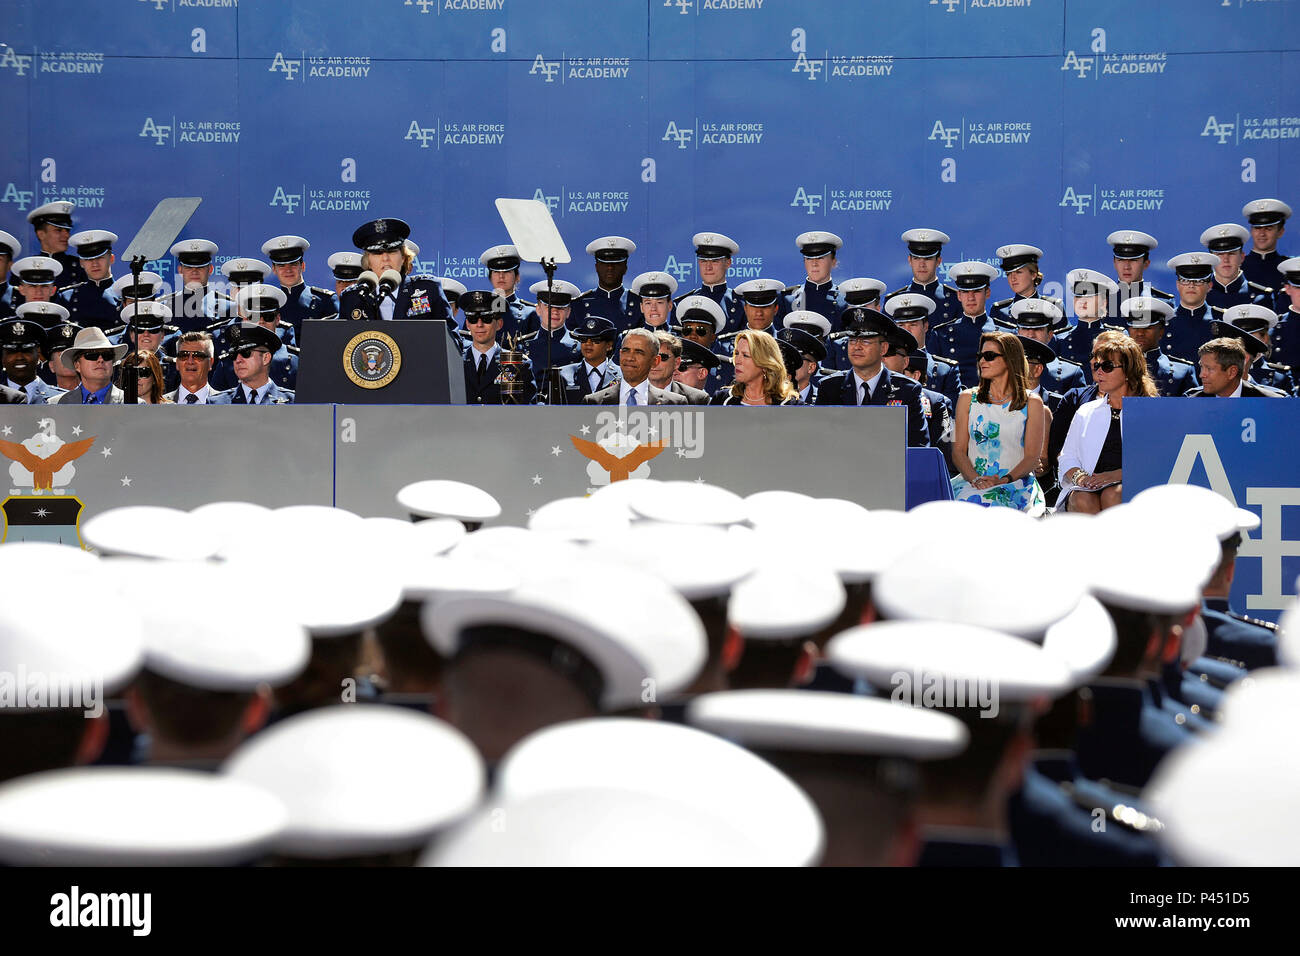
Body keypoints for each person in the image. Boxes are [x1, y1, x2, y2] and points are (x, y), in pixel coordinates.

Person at [949, 331, 1046, 515]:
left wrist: (1003, 480)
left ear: (1010, 359)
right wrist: (976, 480)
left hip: (1016, 484)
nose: (982, 361)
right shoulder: (967, 398)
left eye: (989, 356)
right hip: (972, 482)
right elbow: (958, 452)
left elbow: (1032, 457)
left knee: (997, 509)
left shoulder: (1032, 403)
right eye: (980, 356)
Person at [1057, 334, 1157, 512]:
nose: (1099, 372)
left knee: (1113, 495)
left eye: (1107, 366)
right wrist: (1081, 478)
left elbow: (1156, 461)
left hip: (1134, 486)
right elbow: (1067, 456)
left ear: (1129, 371)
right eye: (1097, 366)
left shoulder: (1152, 412)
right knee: (1083, 499)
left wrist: (1117, 475)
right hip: (1087, 487)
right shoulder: (1086, 410)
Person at [815, 309, 931, 447]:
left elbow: (918, 446)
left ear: (883, 348)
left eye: (865, 341)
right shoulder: (829, 387)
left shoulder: (907, 390)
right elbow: (819, 441)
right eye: (852, 340)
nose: (857, 347)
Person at [338, 219, 453, 327]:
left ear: (403, 257)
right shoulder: (352, 297)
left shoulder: (428, 288)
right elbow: (341, 339)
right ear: (368, 262)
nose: (385, 259)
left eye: (392, 251)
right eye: (377, 253)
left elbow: (451, 336)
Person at [927, 260, 1000, 386]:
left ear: (987, 293)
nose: (971, 298)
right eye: (965, 292)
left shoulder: (1005, 332)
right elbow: (933, 379)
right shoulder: (941, 334)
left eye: (976, 291)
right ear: (959, 295)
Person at [460, 290, 537, 405]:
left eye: (487, 319)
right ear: (467, 324)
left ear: (499, 324)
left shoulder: (519, 364)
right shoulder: (455, 362)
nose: (479, 325)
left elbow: (527, 410)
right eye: (473, 319)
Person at [883, 293, 960, 405]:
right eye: (901, 325)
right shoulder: (882, 365)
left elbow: (952, 411)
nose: (907, 330)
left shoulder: (944, 370)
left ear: (926, 326)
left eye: (913, 325)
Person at [585, 327, 687, 406]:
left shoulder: (675, 403)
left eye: (639, 352)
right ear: (620, 354)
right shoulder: (593, 402)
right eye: (626, 351)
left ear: (655, 361)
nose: (630, 358)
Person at [261, 235, 338, 336]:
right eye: (281, 266)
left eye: (293, 264)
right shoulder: (268, 304)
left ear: (303, 266)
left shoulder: (325, 300)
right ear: (274, 269)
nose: (288, 270)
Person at [1120, 297, 1199, 397]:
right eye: (1135, 327)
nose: (1140, 333)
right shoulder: (1114, 367)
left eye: (1147, 328)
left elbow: (1193, 406)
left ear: (1161, 331)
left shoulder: (1182, 371)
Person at [886, 227, 959, 327]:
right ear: (910, 260)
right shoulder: (894, 301)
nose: (922, 265)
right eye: (916, 258)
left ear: (938, 261)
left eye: (928, 259)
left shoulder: (955, 299)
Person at [209, 323, 295, 405]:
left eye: (245, 353)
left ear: (266, 358)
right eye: (233, 354)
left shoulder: (293, 402)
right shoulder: (215, 403)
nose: (238, 360)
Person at [1186, 328, 1286, 397]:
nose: (1201, 375)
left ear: (1232, 372)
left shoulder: (1271, 402)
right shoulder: (1191, 401)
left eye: (1209, 369)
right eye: (1201, 367)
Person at [710, 329, 799, 406]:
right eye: (736, 353)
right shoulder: (721, 399)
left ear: (765, 364)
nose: (737, 361)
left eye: (745, 355)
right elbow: (703, 421)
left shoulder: (791, 405)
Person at [165, 238, 236, 333]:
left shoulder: (228, 306)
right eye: (188, 267)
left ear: (210, 269)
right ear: (180, 270)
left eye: (200, 267)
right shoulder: (165, 306)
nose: (194, 272)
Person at [679, 232, 745, 333]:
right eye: (703, 261)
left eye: (715, 261)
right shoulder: (684, 304)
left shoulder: (740, 303)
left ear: (728, 263)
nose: (708, 267)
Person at [1164, 251, 1223, 361]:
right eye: (1185, 280)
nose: (1191, 285)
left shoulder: (1222, 320)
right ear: (1178, 285)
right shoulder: (1163, 322)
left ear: (1209, 286)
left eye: (1198, 281)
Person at [1201, 223, 1274, 311]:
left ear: (1242, 257)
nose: (1226, 260)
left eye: (1231, 253)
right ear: (1211, 260)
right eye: (1219, 254)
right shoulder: (1200, 295)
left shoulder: (1260, 296)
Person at [1055, 268, 1120, 364]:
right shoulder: (1060, 338)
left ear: (1103, 302)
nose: (1082, 301)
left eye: (1089, 296)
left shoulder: (1117, 337)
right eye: (1078, 295)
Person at [525, 279, 581, 390]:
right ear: (538, 309)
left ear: (568, 312)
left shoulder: (580, 346)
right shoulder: (522, 345)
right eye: (549, 307)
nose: (555, 312)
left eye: (561, 307)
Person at [58, 230, 119, 331]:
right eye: (88, 259)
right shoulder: (66, 297)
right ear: (81, 263)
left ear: (111, 259)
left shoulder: (124, 295)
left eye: (100, 258)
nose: (95, 264)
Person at [573, 236, 639, 329]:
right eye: (604, 263)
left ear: (625, 268)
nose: (610, 268)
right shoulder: (579, 304)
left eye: (616, 263)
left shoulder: (638, 302)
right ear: (596, 267)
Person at [989, 243, 1063, 325]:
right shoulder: (999, 310)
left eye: (1018, 272)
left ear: (1033, 274)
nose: (1012, 278)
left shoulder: (1054, 306)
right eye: (1008, 273)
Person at [1, 312, 65, 404]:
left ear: (38, 354)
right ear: (2, 357)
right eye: (12, 351)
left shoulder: (62, 399)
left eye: (26, 350)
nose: (19, 357)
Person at [55, 326, 129, 404]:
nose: (101, 360)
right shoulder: (57, 403)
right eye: (92, 355)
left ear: (112, 362)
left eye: (107, 355)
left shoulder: (132, 403)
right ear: (77, 365)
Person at [477, 243, 536, 340]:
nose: (501, 276)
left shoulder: (530, 312)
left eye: (507, 271)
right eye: (496, 272)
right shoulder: (477, 309)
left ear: (517, 277)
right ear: (490, 277)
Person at [556, 314, 619, 403]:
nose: (588, 343)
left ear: (609, 345)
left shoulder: (622, 375)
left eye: (595, 339)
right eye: (583, 339)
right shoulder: (563, 374)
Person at [1108, 230, 1172, 310]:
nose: (1127, 267)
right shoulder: (1101, 299)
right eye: (1121, 260)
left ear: (1146, 264)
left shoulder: (1162, 301)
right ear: (1114, 263)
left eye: (1133, 260)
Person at [26, 201, 82, 287]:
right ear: (41, 234)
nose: (67, 235)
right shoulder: (26, 268)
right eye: (58, 230)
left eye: (67, 230)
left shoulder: (80, 266)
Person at [1241, 198, 1292, 295]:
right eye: (1257, 228)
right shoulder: (1236, 268)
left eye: (1268, 229)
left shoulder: (1290, 269)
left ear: (1280, 232)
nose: (1262, 234)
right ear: (1251, 231)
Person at [165, 331, 228, 404]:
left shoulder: (226, 403)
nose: (190, 361)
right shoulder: (159, 403)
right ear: (177, 363)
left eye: (198, 356)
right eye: (183, 355)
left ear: (210, 363)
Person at [651, 331, 709, 405]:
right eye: (650, 356)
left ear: (676, 363)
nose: (655, 363)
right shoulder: (635, 393)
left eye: (663, 357)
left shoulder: (697, 399)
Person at [777, 326, 827, 406]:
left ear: (811, 367)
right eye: (783, 358)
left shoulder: (823, 400)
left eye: (796, 359)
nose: (786, 364)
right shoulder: (766, 398)